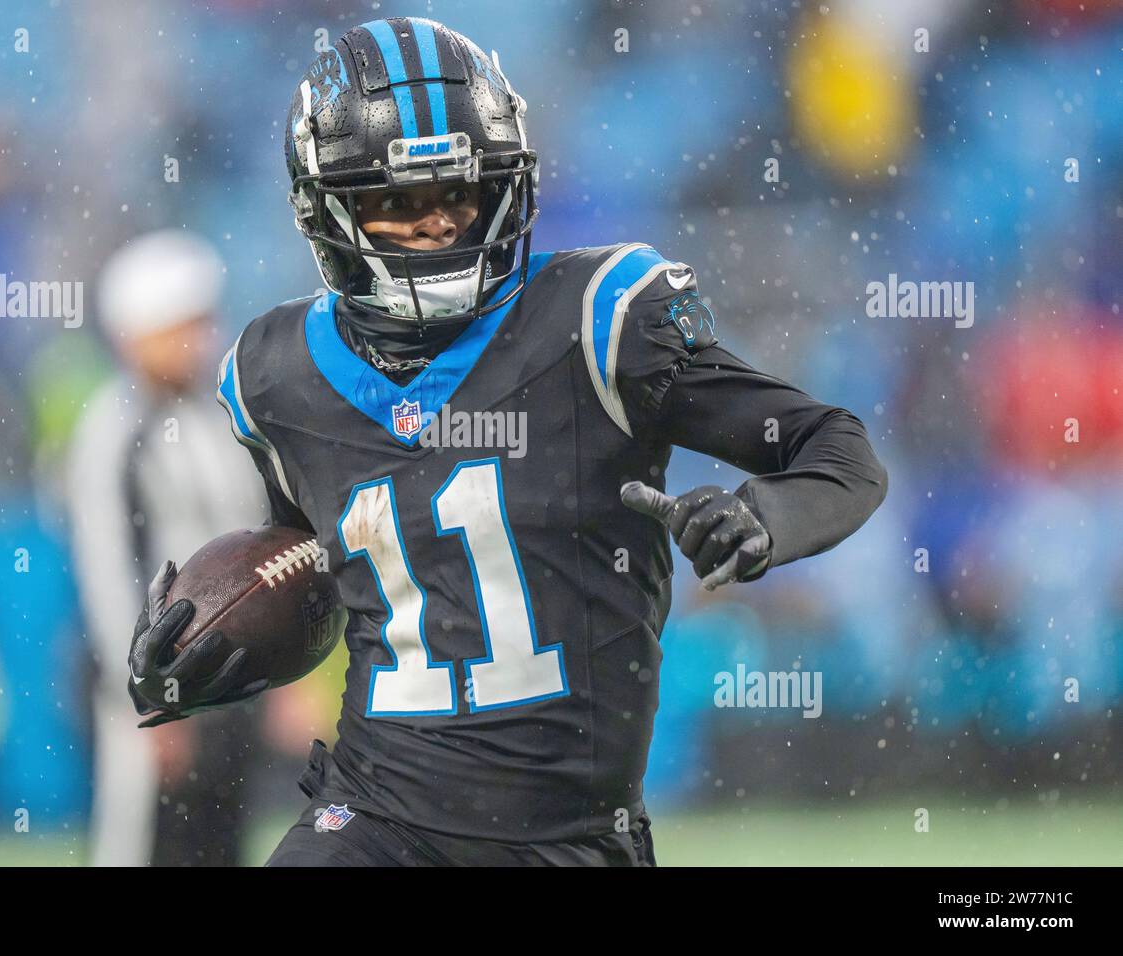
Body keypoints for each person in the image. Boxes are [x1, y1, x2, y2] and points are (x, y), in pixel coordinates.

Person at [126, 19, 888, 866]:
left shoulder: (600, 319)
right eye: (397, 200)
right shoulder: (274, 375)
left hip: (563, 835)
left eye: (461, 191)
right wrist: (212, 641)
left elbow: (838, 449)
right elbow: (318, 554)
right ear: (328, 207)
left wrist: (764, 516)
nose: (438, 223)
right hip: (374, 814)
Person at [67, 229, 270, 865]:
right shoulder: (112, 429)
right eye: (183, 323)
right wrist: (149, 694)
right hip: (156, 684)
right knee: (143, 847)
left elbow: (259, 541)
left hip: (231, 680)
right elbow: (108, 574)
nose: (200, 337)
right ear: (137, 331)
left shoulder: (220, 415)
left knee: (221, 845)